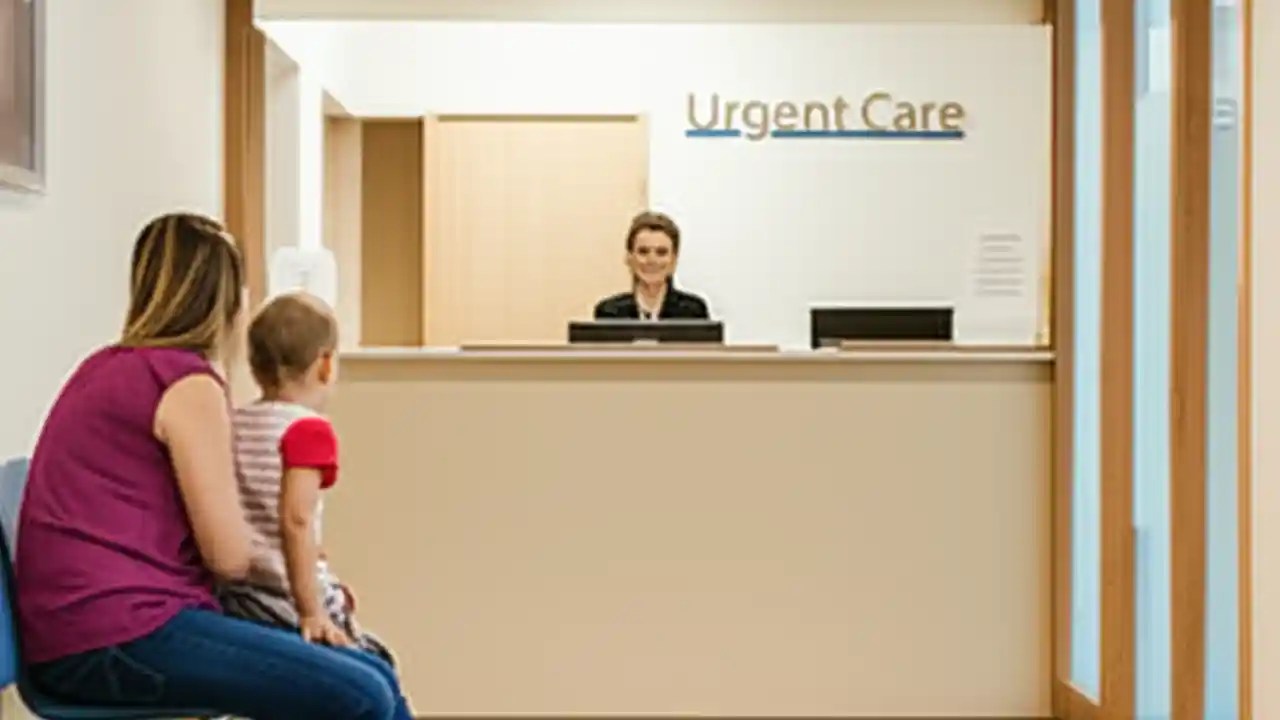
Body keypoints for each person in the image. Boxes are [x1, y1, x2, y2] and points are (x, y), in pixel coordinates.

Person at [14, 212, 412, 720]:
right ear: (227, 299)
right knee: (364, 692)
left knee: (371, 673)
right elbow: (228, 558)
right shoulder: (187, 384)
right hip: (119, 636)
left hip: (78, 633)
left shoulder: (105, 367)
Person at [217, 291, 395, 667]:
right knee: (379, 663)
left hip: (239, 597)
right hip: (285, 595)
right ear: (325, 365)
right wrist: (311, 610)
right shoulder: (308, 431)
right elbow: (295, 520)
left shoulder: (233, 423)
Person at [594, 211, 711, 321]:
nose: (652, 260)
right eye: (643, 252)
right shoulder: (608, 312)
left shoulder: (693, 311)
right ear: (629, 258)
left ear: (673, 259)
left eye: (661, 252)